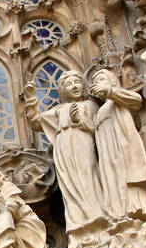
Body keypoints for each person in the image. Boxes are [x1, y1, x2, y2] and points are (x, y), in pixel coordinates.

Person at [24, 71, 106, 235]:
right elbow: (36, 121)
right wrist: (31, 97)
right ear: (62, 90)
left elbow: (102, 132)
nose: (74, 86)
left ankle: (96, 217)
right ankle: (78, 222)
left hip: (84, 146)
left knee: (88, 178)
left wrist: (80, 121)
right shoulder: (59, 110)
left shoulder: (90, 106)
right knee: (70, 184)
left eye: (77, 82)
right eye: (69, 84)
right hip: (63, 150)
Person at [90, 69, 146, 220]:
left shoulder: (118, 99)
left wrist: (111, 91)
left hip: (124, 150)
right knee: (113, 182)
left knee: (128, 180)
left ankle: (138, 209)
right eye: (95, 83)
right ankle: (118, 213)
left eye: (101, 80)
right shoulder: (100, 111)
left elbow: (136, 100)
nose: (98, 84)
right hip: (109, 158)